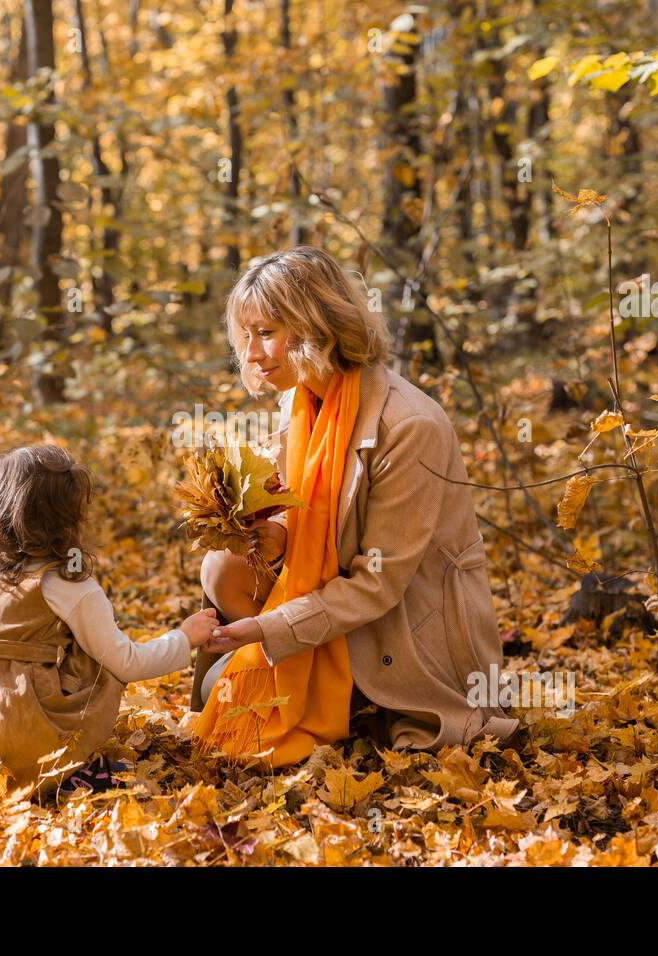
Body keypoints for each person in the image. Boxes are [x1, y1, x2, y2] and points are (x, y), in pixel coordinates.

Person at [192, 246, 519, 766]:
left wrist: (267, 631)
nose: (251, 354)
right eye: (245, 336)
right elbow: (311, 516)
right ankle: (320, 688)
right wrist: (273, 533)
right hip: (336, 609)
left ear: (318, 325)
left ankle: (355, 699)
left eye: (268, 333)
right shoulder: (301, 400)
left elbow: (378, 583)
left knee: (231, 702)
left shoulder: (410, 427)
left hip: (403, 631)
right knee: (222, 578)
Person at [0, 444, 218, 803]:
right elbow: (127, 661)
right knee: (101, 663)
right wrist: (184, 638)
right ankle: (57, 770)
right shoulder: (66, 585)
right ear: (68, 522)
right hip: (20, 729)